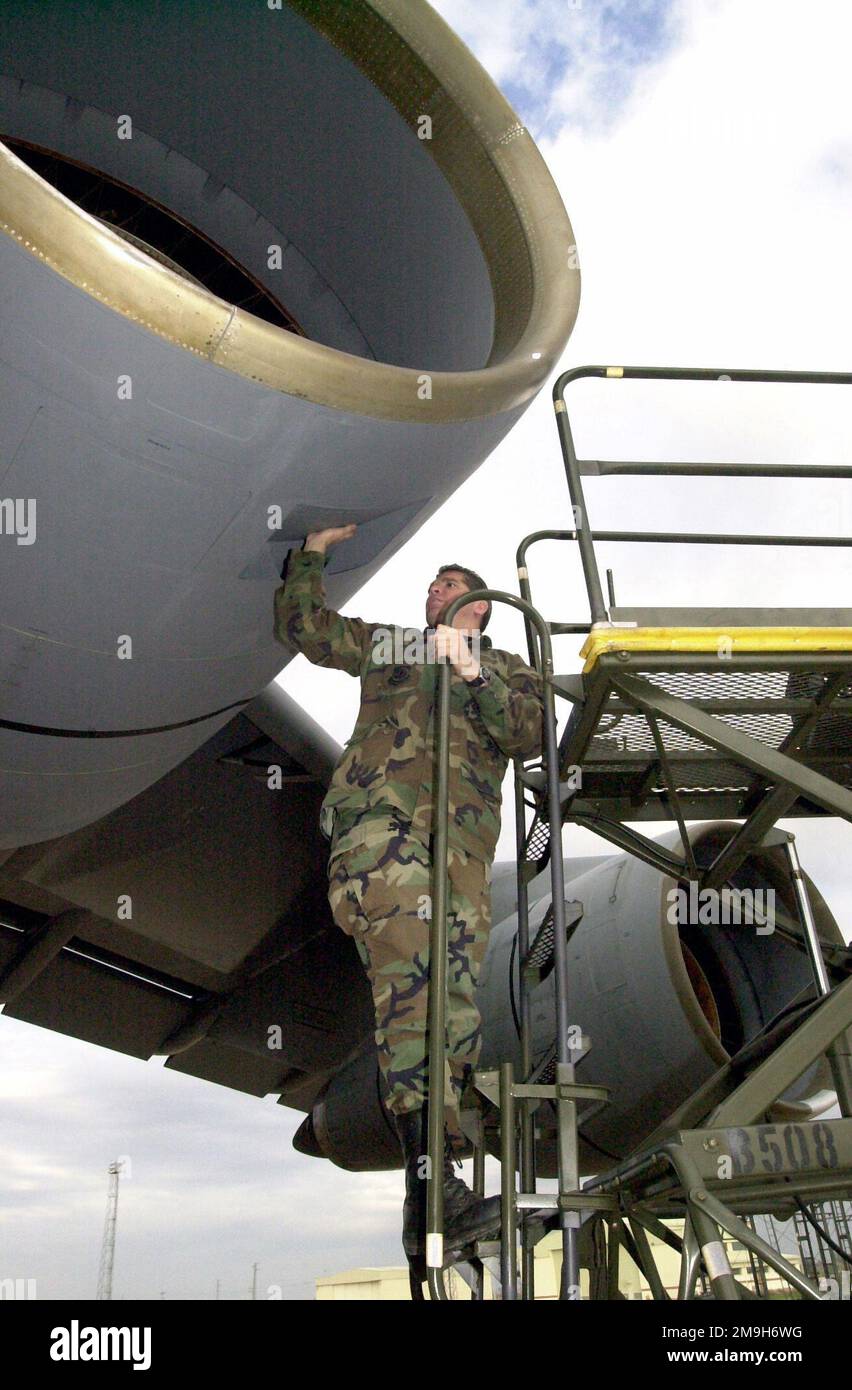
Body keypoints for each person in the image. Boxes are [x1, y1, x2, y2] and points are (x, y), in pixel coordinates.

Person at [273, 523, 543, 1278]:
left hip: (459, 865)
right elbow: (309, 631)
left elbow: (526, 731)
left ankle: (432, 1197)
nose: (436, 591)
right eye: (431, 584)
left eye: (451, 585)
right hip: (383, 844)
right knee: (410, 1001)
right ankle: (432, 1197)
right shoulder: (396, 648)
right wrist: (313, 557)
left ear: (481, 608)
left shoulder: (510, 668)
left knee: (450, 1010)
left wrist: (474, 675)